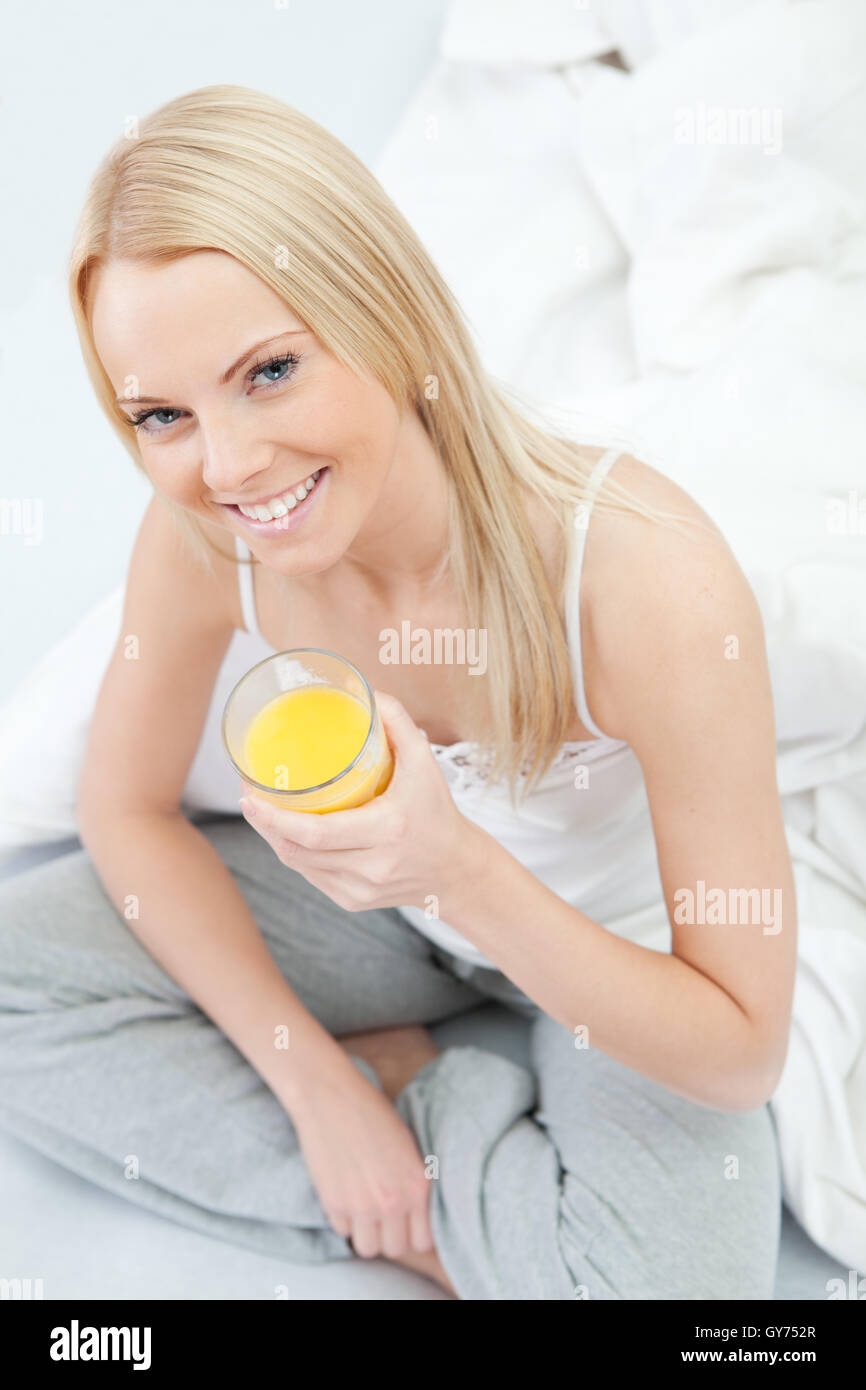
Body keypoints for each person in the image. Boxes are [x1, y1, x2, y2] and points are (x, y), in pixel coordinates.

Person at [0, 84, 795, 1300]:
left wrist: (455, 870)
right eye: (161, 413)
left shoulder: (647, 586)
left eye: (268, 372)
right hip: (382, 923)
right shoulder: (201, 538)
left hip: (620, 959)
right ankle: (426, 1166)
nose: (224, 467)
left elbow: (739, 1049)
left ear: (396, 323)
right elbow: (126, 810)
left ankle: (431, 1154)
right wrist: (316, 1084)